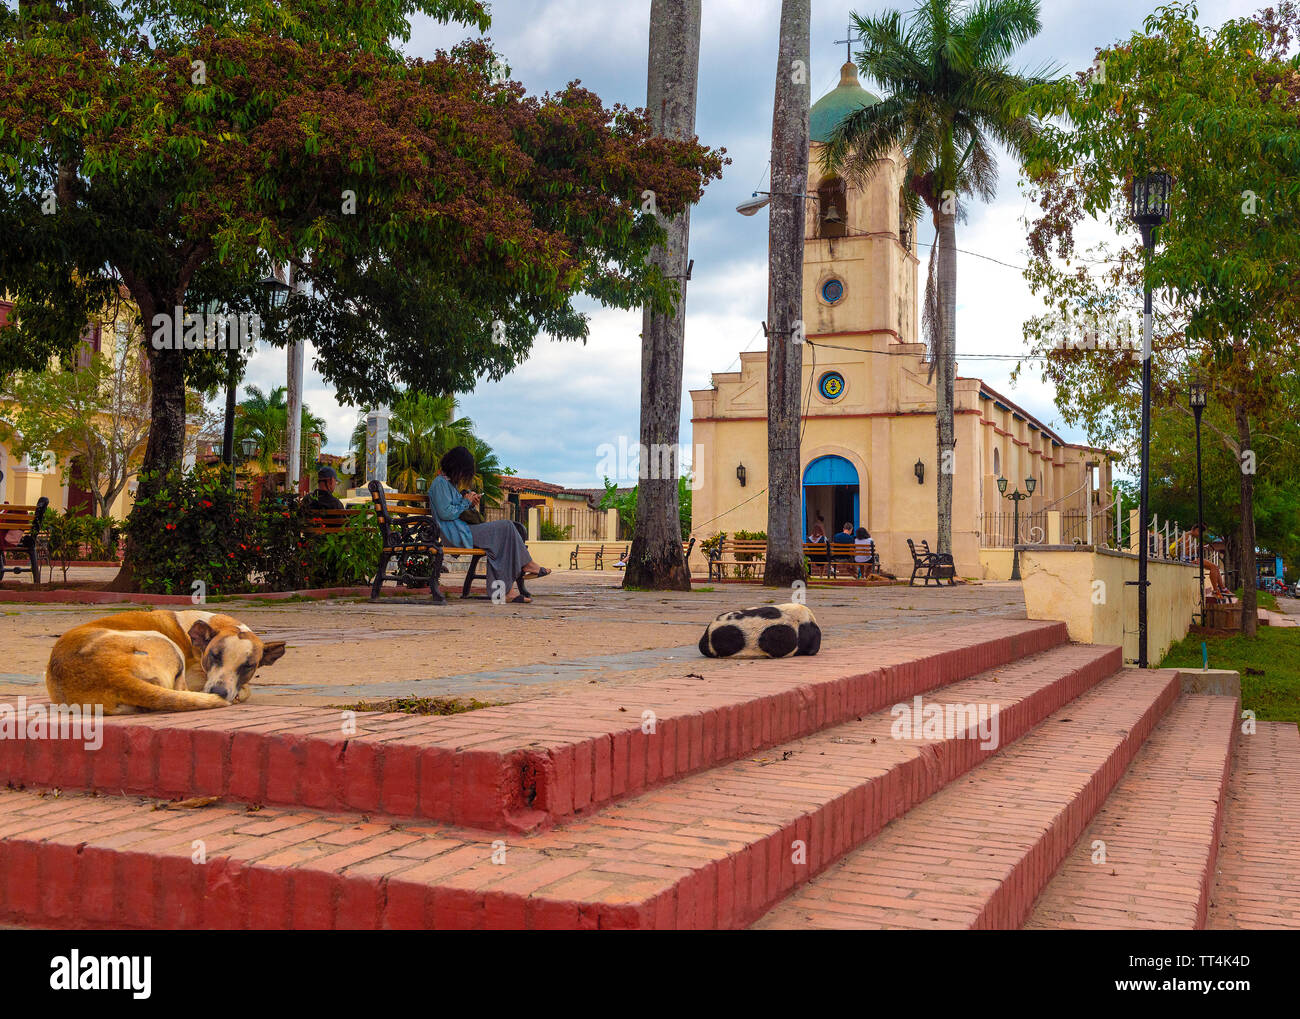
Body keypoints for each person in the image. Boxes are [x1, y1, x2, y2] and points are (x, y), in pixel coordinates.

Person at [428, 446, 551, 603]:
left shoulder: (449, 485)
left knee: (502, 542)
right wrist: (466, 502)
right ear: (456, 467)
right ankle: (526, 564)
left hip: (464, 530)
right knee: (506, 527)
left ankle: (503, 592)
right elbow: (446, 513)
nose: (463, 476)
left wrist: (469, 502)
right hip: (457, 534)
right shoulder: (440, 483)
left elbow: (455, 509)